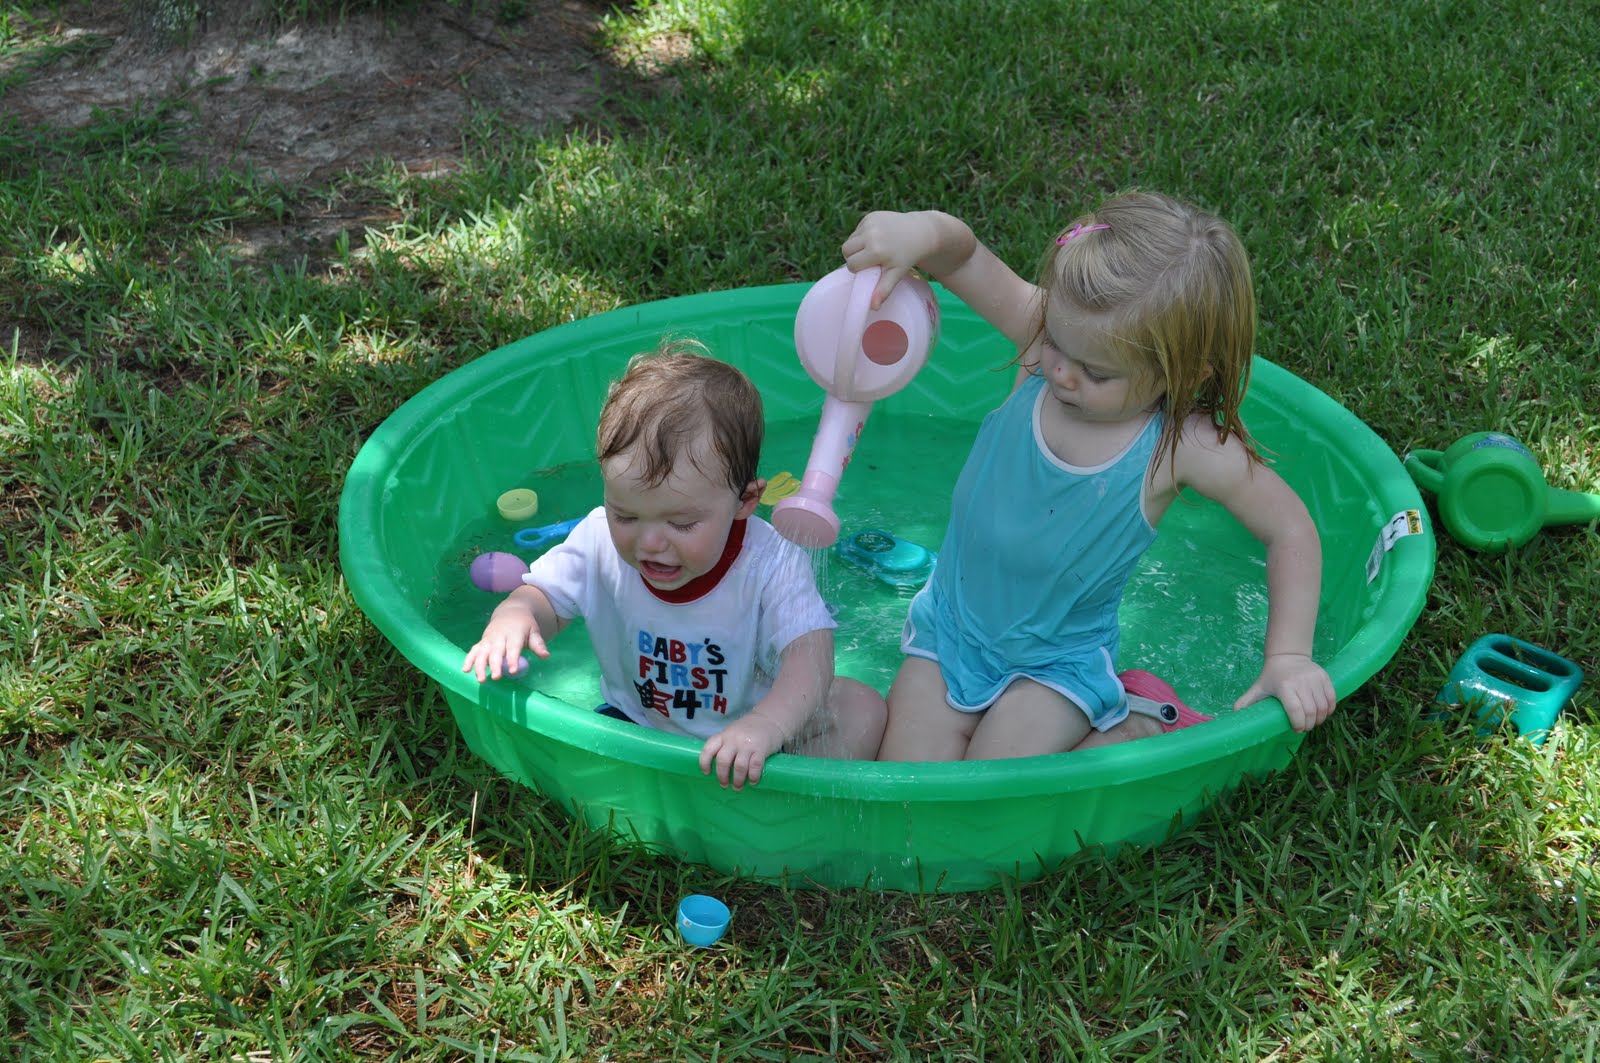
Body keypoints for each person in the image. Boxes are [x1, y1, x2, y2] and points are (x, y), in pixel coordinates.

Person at [839, 190, 1336, 762]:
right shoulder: (1043, 345)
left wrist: (1288, 657)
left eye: (1096, 373)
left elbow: (1289, 528)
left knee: (991, 785)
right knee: (911, 784)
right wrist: (921, 232)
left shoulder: (1181, 447)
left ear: (1180, 374)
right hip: (952, 632)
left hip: (1057, 666)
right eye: (1054, 340)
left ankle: (1135, 721)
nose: (1059, 372)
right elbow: (964, 258)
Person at [462, 338, 886, 788]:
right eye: (626, 515)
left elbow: (811, 658)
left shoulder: (772, 561)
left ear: (745, 501)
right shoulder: (598, 538)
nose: (649, 542)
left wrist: (766, 726)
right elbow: (544, 597)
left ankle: (781, 801)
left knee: (861, 708)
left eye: (682, 523)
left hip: (753, 739)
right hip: (637, 727)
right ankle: (712, 799)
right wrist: (515, 617)